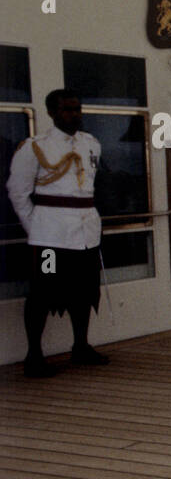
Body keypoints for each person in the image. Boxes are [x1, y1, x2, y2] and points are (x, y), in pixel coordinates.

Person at [5, 89, 109, 377]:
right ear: (52, 112)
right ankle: (34, 356)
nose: (74, 114)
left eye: (77, 109)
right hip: (50, 241)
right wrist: (37, 227)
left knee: (84, 289)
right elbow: (18, 193)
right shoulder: (34, 146)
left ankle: (80, 346)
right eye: (66, 109)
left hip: (86, 233)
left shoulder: (91, 144)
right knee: (42, 292)